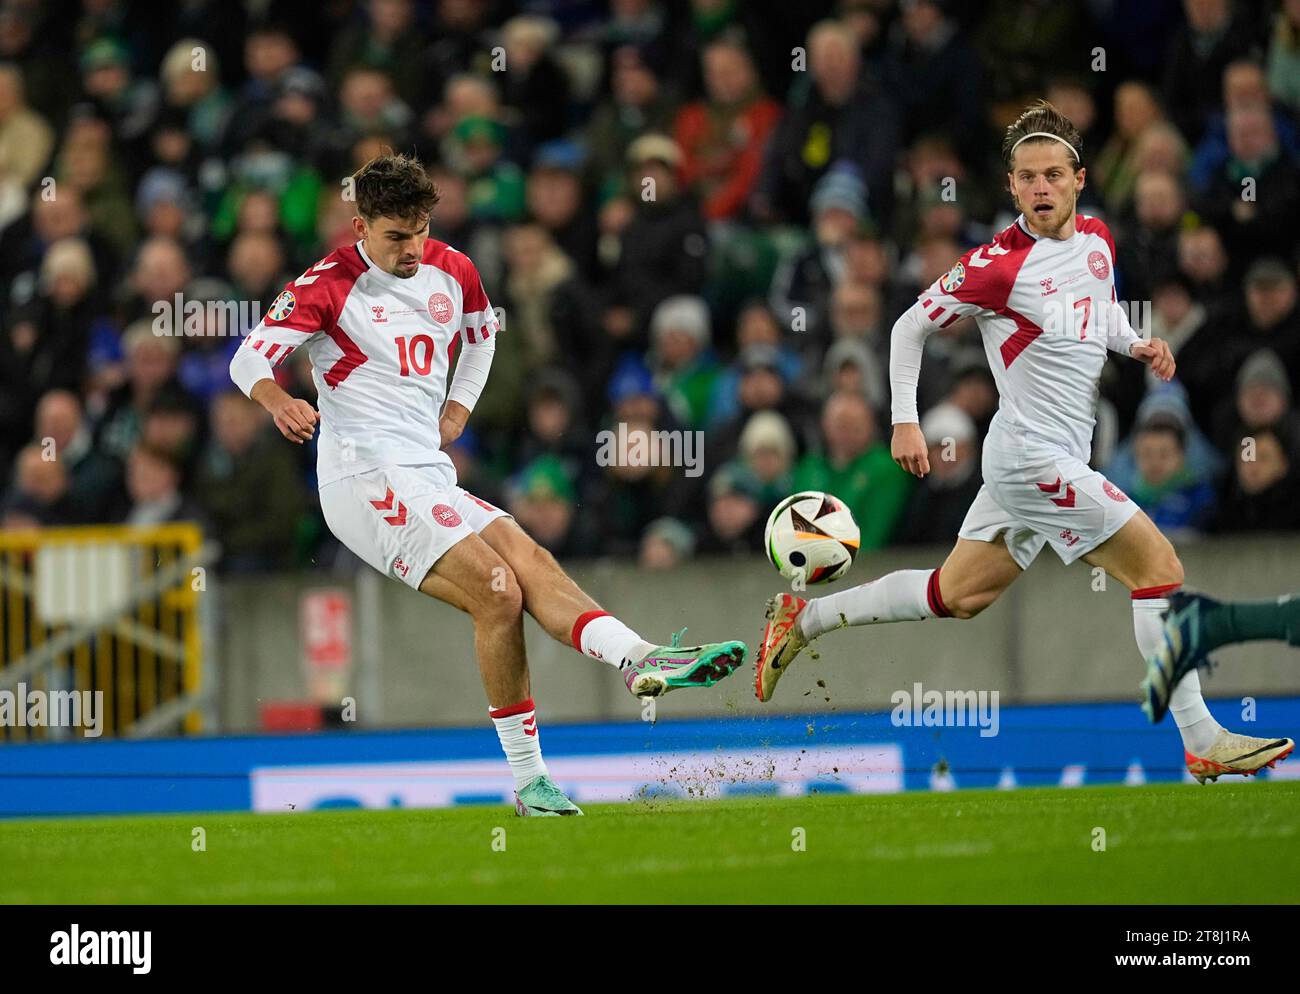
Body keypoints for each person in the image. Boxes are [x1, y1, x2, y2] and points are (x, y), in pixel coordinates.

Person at [753, 100, 1294, 784]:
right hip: (1029, 456)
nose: (1040, 188)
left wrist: (1137, 343)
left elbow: (1096, 312)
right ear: (1011, 187)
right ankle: (1201, 738)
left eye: (1052, 175)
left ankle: (804, 620)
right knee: (1158, 568)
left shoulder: (1098, 241)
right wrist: (905, 420)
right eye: (1026, 177)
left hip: (1052, 456)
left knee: (957, 594)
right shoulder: (995, 266)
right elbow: (906, 329)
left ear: (1078, 179)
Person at [228, 153, 745, 817]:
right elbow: (249, 356)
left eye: (420, 230)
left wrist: (460, 408)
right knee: (496, 591)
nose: (412, 248)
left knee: (528, 561)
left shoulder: (455, 268)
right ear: (360, 226)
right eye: (395, 236)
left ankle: (643, 658)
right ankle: (530, 779)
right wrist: (277, 400)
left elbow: (480, 339)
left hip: (423, 469)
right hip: (361, 476)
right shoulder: (327, 284)